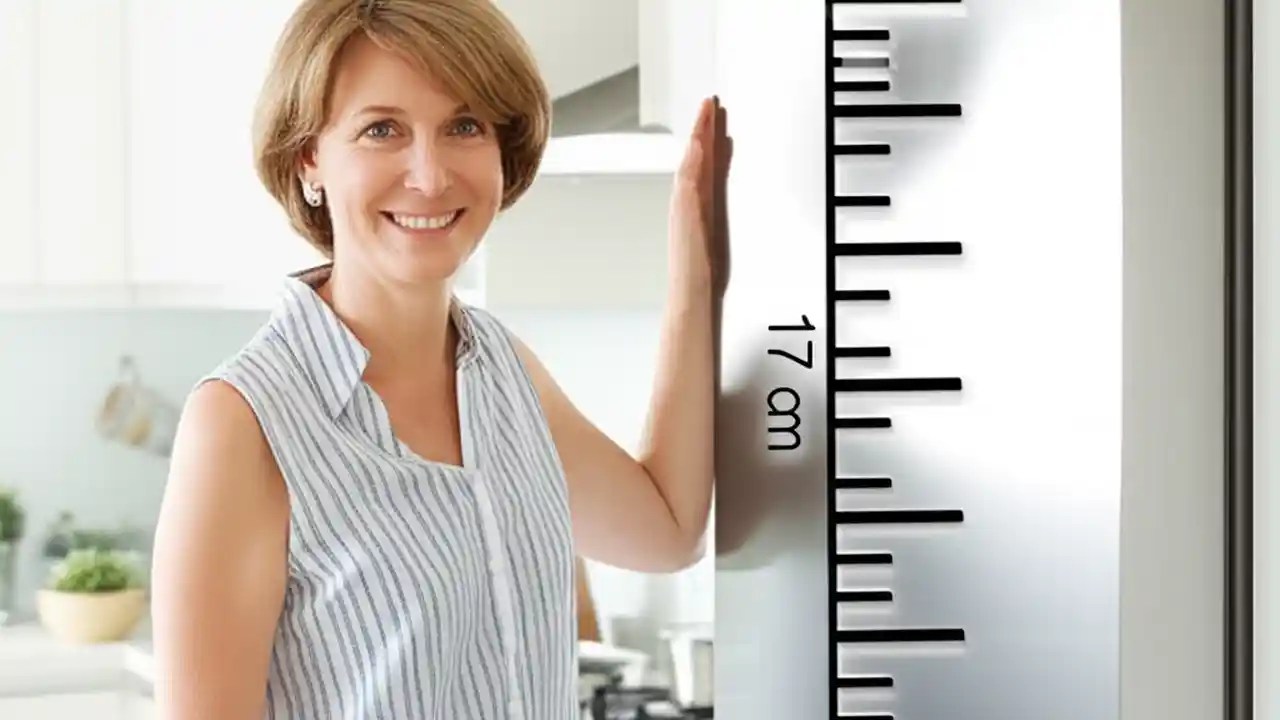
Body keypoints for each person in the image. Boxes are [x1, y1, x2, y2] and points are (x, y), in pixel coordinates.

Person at [148, 0, 731, 718]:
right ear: (309, 159)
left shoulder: (502, 372)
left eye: (464, 126)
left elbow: (666, 529)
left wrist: (698, 276)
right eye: (381, 130)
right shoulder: (245, 423)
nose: (429, 176)